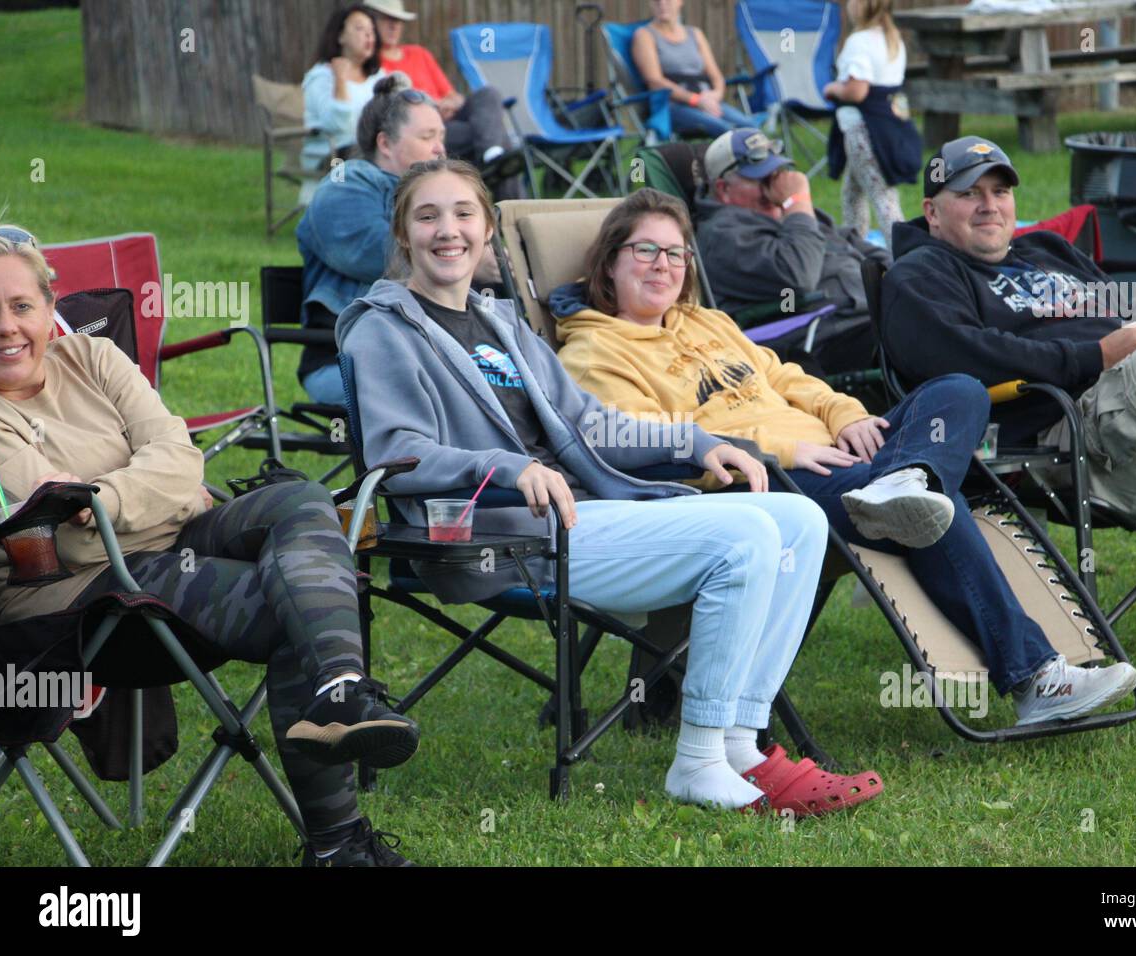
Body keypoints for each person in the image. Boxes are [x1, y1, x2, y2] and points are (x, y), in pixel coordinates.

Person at [336, 159, 882, 814]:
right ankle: (698, 760)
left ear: (487, 231)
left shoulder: (502, 323)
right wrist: (509, 468)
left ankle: (740, 744)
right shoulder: (382, 328)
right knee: (747, 535)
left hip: (573, 515)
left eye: (463, 215)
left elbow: (589, 423)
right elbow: (399, 453)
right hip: (489, 534)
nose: (447, 231)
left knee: (799, 519)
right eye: (428, 216)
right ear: (403, 233)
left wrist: (697, 441)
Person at [549, 189, 1136, 727]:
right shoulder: (592, 349)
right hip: (764, 483)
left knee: (957, 390)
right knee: (933, 510)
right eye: (645, 250)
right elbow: (648, 442)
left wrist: (847, 416)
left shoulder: (708, 322)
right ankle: (1034, 676)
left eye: (676, 254)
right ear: (609, 262)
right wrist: (786, 449)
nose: (663, 265)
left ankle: (908, 481)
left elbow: (787, 375)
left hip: (836, 454)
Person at [0, 225, 420, 866]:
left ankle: (341, 685)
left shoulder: (95, 359)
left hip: (169, 547)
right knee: (295, 601)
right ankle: (336, 846)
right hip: (67, 606)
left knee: (299, 499)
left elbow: (179, 458)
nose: (5, 327)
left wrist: (101, 503)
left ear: (51, 310)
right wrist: (130, 501)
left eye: (21, 306)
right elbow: (47, 533)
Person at [883, 136, 1136, 520]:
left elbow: (1135, 308)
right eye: (969, 193)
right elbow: (963, 356)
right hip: (1082, 442)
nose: (989, 205)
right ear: (932, 212)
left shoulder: (1047, 250)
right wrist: (1096, 356)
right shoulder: (921, 274)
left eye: (1000, 192)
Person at [296, 74, 447, 405]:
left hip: (433, 354)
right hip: (350, 361)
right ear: (385, 144)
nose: (440, 148)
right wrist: (470, 258)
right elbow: (383, 258)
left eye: (441, 136)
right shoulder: (346, 186)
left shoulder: (442, 194)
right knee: (448, 391)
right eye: (427, 136)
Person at [695, 128, 890, 377]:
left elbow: (848, 241)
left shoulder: (781, 211)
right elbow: (798, 274)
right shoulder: (722, 236)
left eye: (775, 174)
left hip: (866, 313)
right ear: (723, 189)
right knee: (923, 334)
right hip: (821, 334)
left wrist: (900, 275)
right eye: (762, 179)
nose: (773, 187)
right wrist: (797, 203)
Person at [363, 0, 519, 188]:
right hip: (423, 132)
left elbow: (454, 97)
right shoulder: (373, 65)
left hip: (449, 120)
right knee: (498, 138)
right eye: (387, 19)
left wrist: (449, 104)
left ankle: (492, 153)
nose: (394, 25)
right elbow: (392, 109)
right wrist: (433, 107)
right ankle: (507, 197)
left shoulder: (419, 53)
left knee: (488, 93)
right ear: (371, 22)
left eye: (399, 20)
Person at [822, 0, 916, 239]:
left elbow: (857, 91)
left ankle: (902, 256)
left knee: (884, 198)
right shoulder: (893, 38)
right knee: (852, 193)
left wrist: (833, 89)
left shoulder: (859, 42)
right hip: (889, 126)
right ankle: (854, 247)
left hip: (864, 132)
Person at [632, 0, 757, 138]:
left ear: (680, 2)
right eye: (657, 1)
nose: (662, 4)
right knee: (724, 130)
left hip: (707, 99)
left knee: (750, 127)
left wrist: (715, 95)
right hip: (673, 106)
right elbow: (655, 81)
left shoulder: (695, 34)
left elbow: (716, 76)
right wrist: (695, 100)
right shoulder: (644, 35)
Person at [300, 5, 386, 195]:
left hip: (370, 153)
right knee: (373, 159)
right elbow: (338, 125)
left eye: (371, 30)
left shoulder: (378, 77)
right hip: (330, 158)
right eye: (359, 28)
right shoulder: (321, 77)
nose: (368, 35)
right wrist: (340, 79)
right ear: (340, 36)